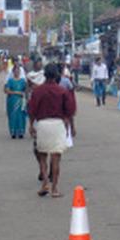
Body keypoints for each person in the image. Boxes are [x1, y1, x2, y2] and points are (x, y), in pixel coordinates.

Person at [28, 64, 76, 198]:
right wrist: (71, 126)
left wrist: (31, 125)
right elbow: (70, 111)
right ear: (56, 76)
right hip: (58, 124)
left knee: (42, 156)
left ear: (44, 75)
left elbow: (32, 110)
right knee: (56, 159)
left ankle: (45, 183)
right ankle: (54, 188)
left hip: (42, 124)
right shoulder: (62, 91)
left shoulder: (37, 91)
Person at [4, 65, 28, 139]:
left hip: (21, 100)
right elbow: (7, 90)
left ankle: (21, 132)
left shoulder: (23, 81)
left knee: (21, 116)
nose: (17, 72)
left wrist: (25, 95)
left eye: (18, 71)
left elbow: (26, 90)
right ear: (13, 72)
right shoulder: (10, 81)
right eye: (15, 71)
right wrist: (16, 92)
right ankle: (13, 132)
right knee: (13, 115)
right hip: (12, 100)